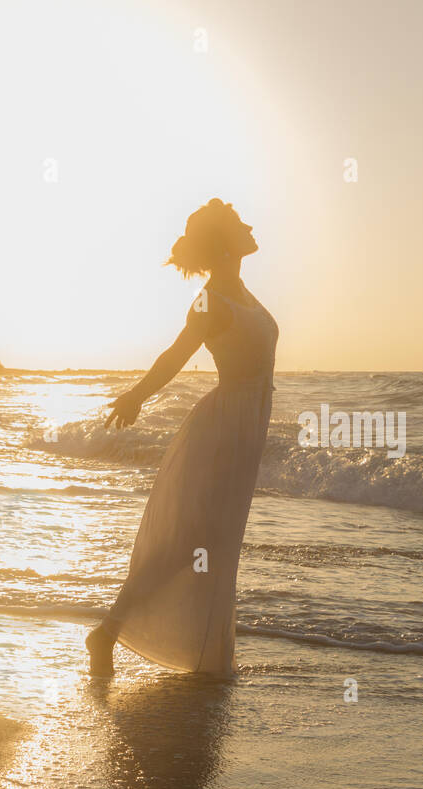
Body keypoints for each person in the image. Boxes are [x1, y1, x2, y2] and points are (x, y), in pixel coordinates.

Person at [86, 199, 277, 677]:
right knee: (192, 540)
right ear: (226, 243)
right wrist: (136, 396)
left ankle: (207, 653)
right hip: (224, 428)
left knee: (217, 540)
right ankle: (108, 632)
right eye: (239, 224)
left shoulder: (241, 292)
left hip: (246, 425)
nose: (250, 226)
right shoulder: (211, 301)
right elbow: (175, 355)